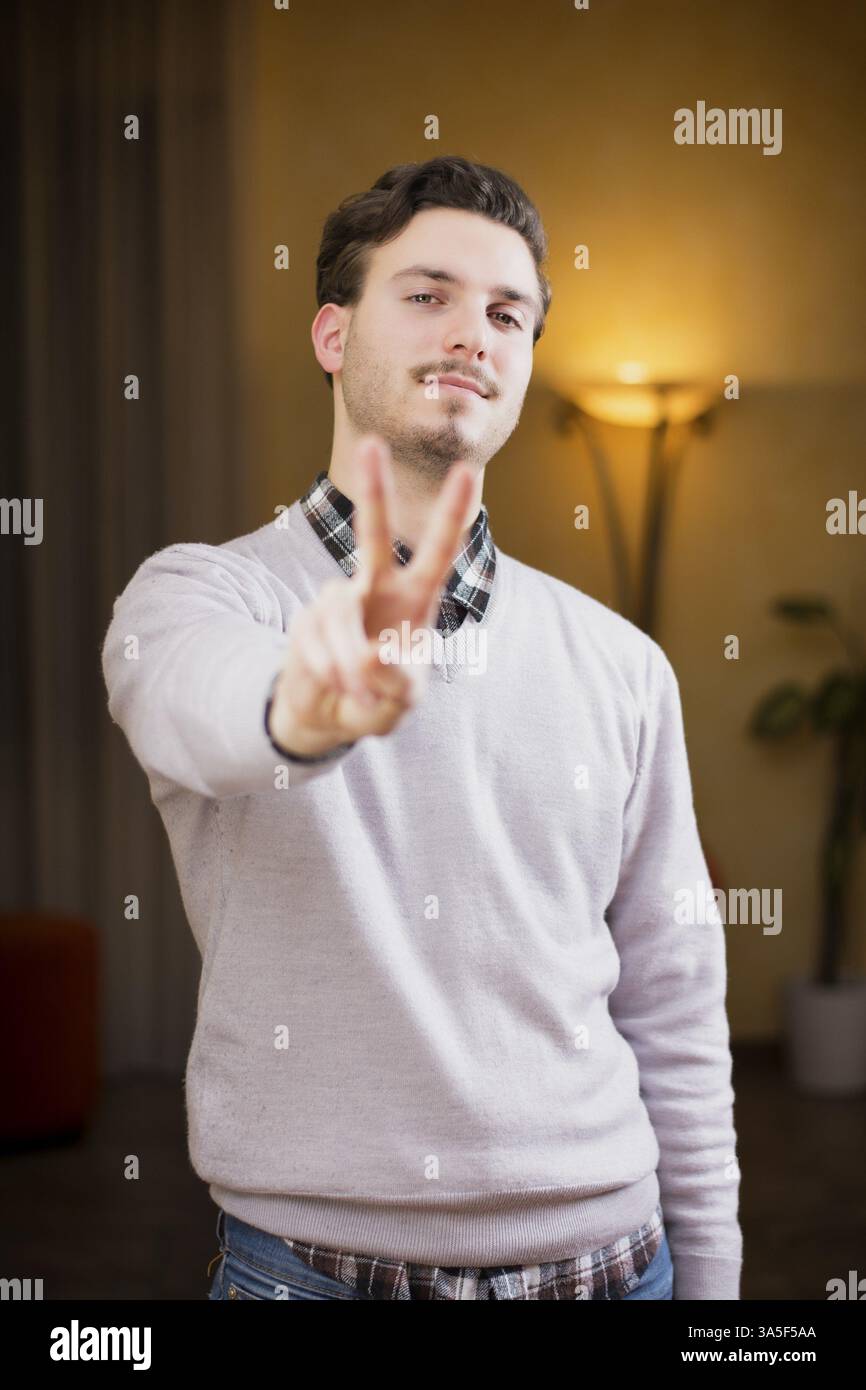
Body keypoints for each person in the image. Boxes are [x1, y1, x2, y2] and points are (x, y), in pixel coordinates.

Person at [101, 155, 742, 1301]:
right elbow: (194, 699)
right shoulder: (201, 597)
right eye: (426, 295)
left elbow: (675, 996)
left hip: (620, 1262)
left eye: (507, 312)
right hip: (309, 1275)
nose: (472, 332)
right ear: (332, 336)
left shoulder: (621, 663)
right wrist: (302, 705)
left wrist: (712, 1286)